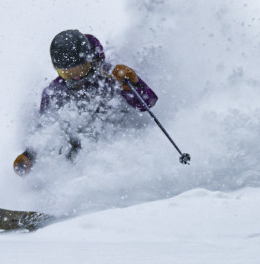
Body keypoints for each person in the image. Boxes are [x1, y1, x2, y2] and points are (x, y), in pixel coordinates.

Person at [13, 29, 158, 175]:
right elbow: (46, 131)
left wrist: (133, 83)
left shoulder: (112, 76)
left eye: (79, 69)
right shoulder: (54, 92)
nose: (75, 77)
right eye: (67, 72)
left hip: (120, 141)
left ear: (90, 60)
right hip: (83, 155)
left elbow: (148, 102)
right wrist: (29, 156)